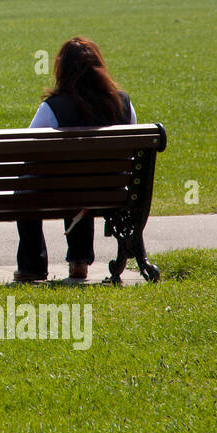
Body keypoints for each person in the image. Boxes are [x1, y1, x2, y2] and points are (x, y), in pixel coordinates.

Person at [14, 37, 136, 284]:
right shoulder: (123, 103)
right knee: (81, 182)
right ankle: (79, 260)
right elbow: (133, 150)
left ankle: (32, 266)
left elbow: (26, 152)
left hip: (63, 191)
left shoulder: (53, 108)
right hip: (111, 192)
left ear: (62, 69)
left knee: (27, 187)